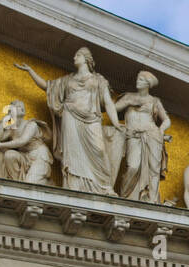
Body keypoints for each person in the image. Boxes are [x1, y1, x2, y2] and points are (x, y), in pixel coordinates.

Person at [15, 48, 121, 194]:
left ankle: (104, 186)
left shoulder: (98, 80)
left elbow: (108, 102)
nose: (74, 57)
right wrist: (30, 71)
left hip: (92, 120)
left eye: (77, 55)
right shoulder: (68, 80)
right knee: (72, 154)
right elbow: (48, 87)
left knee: (99, 150)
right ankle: (73, 185)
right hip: (70, 116)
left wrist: (115, 123)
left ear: (86, 59)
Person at [115, 70, 170, 202]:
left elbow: (167, 120)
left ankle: (151, 199)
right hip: (133, 136)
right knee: (133, 166)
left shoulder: (155, 101)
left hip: (152, 136)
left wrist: (161, 131)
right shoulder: (129, 97)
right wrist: (128, 103)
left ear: (148, 84)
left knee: (153, 169)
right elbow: (112, 108)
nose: (137, 81)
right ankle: (126, 197)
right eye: (138, 79)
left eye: (141, 80)